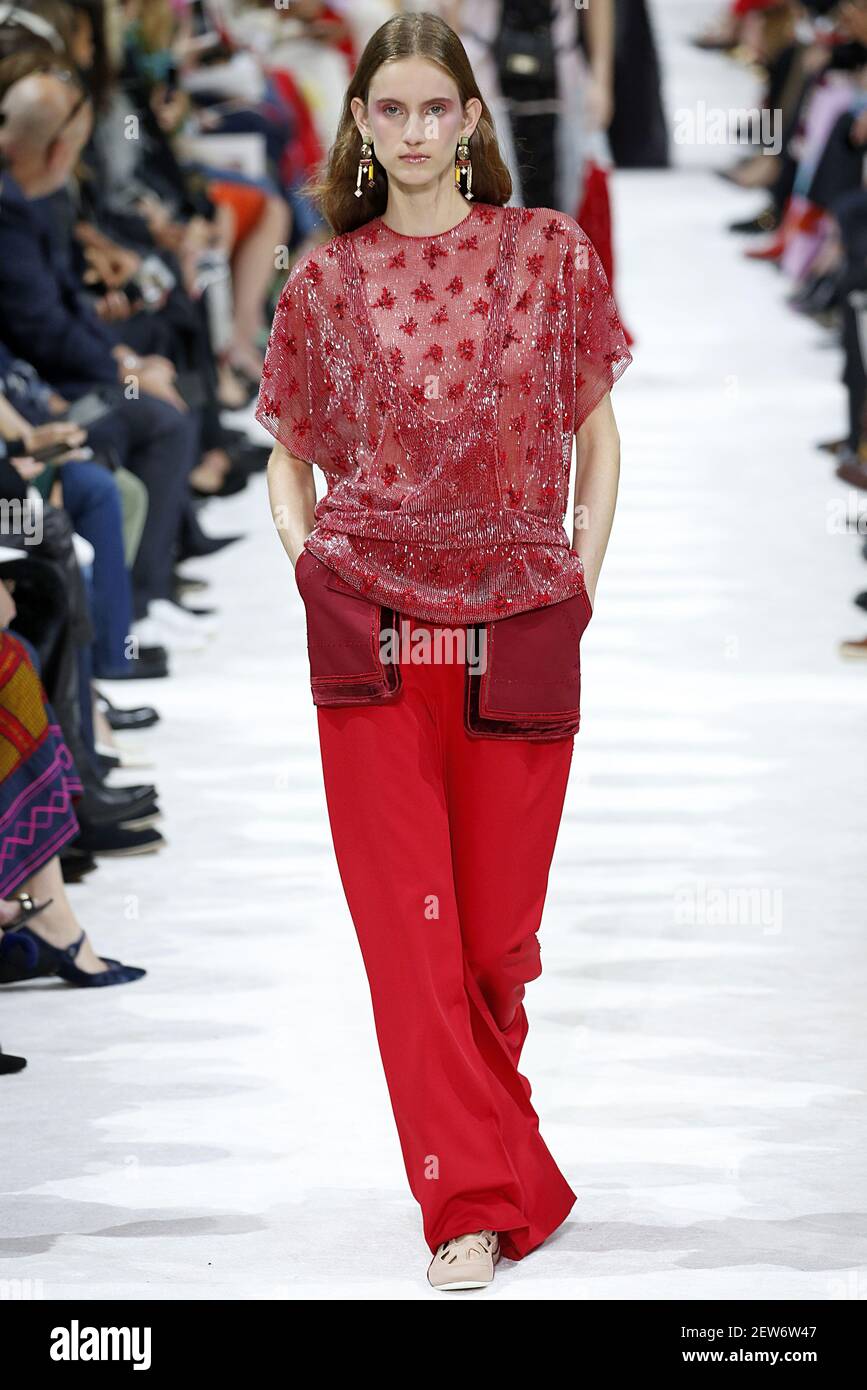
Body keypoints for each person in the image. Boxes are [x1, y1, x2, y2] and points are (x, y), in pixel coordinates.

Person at [258, 11, 630, 1291]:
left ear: (472, 120)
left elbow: (598, 431)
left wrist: (580, 580)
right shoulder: (323, 282)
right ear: (363, 124)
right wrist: (308, 564)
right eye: (392, 111)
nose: (415, 133)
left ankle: (507, 1162)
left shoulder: (548, 257)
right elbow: (286, 449)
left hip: (520, 624)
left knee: (490, 946)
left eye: (436, 109)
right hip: (371, 629)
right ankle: (465, 1202)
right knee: (410, 943)